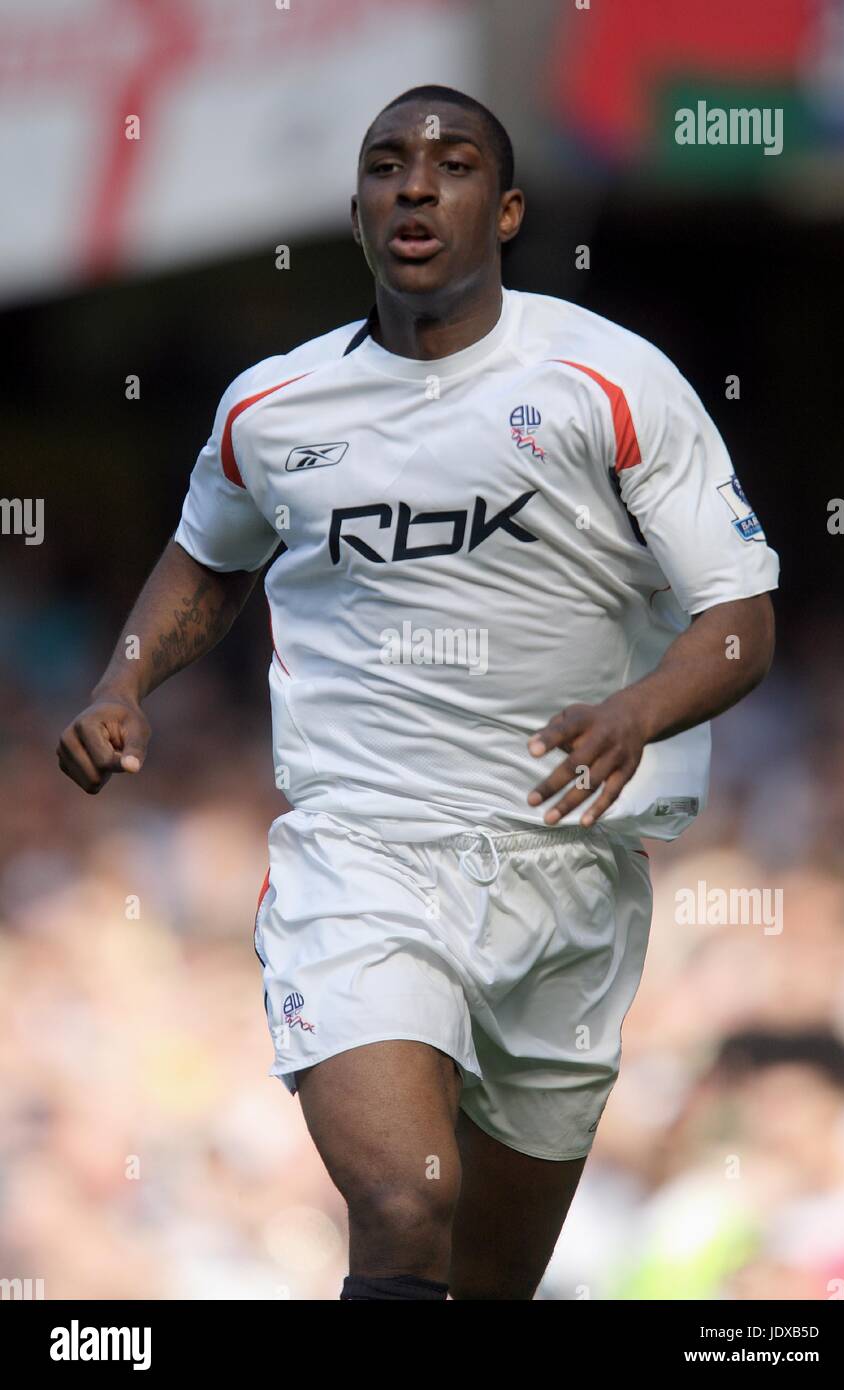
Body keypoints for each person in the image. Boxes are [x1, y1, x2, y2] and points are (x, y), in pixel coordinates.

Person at [57, 85, 779, 1300]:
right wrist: (125, 679)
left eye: (449, 165)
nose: (413, 184)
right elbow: (209, 553)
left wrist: (634, 713)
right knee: (406, 1201)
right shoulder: (272, 411)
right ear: (354, 213)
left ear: (501, 211)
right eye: (387, 165)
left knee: (485, 1275)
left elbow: (739, 620)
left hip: (568, 867)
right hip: (364, 850)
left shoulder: (611, 381)